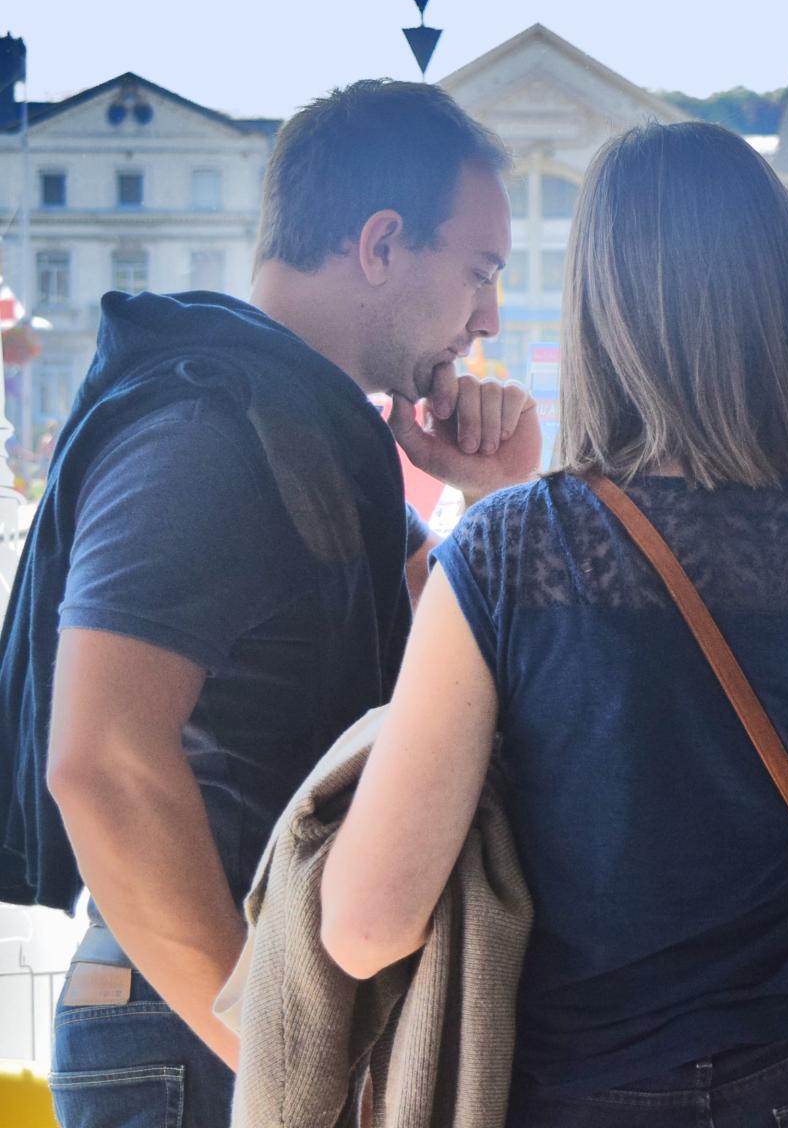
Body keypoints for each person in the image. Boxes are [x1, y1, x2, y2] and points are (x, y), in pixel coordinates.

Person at [320, 121, 788, 1127]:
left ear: (602, 308)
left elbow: (364, 928)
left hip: (580, 1092)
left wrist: (482, 502)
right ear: (787, 297)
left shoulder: (511, 553)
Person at [0, 79, 542, 1128]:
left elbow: (462, 671)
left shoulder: (304, 436)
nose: (488, 316)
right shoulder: (212, 427)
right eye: (478, 271)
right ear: (380, 245)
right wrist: (283, 1056)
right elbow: (101, 761)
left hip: (217, 1024)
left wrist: (499, 496)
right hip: (193, 1038)